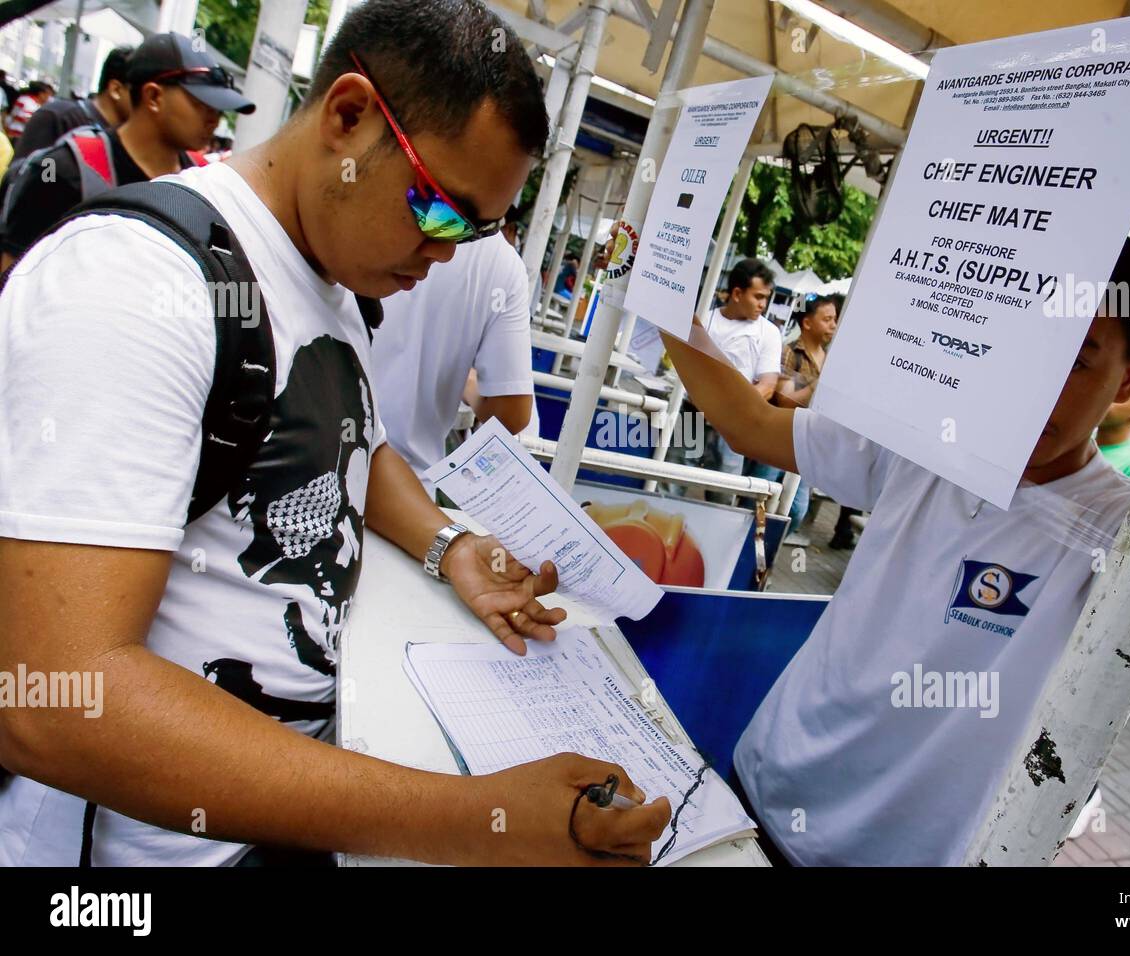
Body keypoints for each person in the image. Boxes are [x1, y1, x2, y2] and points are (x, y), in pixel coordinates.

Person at [0, 0, 668, 866]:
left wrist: (450, 544)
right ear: (349, 117)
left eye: (478, 231)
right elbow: (59, 701)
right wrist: (476, 821)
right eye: (438, 210)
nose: (446, 254)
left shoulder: (323, 269)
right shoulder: (133, 284)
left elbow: (359, 444)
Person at [661, 233, 1130, 865]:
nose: (1037, 389)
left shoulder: (1118, 530)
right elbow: (749, 421)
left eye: (1076, 360)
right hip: (759, 786)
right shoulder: (923, 445)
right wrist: (663, 293)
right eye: (1022, 351)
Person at [0, 33, 255, 268]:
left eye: (219, 109)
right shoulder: (66, 171)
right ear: (153, 97)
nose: (215, 120)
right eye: (203, 104)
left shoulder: (203, 183)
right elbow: (12, 277)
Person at [371, 229, 535, 496]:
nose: (441, 254)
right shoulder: (501, 263)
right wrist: (470, 386)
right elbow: (512, 414)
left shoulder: (371, 210)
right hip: (409, 489)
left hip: (323, 464)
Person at [671, 258, 779, 504]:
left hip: (734, 425)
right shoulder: (705, 322)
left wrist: (728, 409)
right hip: (692, 415)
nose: (763, 304)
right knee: (670, 482)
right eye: (758, 296)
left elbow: (768, 385)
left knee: (723, 496)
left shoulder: (768, 332)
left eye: (766, 297)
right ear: (737, 293)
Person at [750, 293, 840, 546]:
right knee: (757, 502)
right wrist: (819, 384)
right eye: (827, 319)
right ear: (807, 322)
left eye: (835, 319)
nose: (833, 325)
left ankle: (765, 551)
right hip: (780, 441)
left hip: (812, 446)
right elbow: (787, 400)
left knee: (796, 511)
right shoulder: (789, 352)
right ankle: (747, 551)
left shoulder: (834, 359)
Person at [12, 46, 134, 160]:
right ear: (116, 89)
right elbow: (24, 174)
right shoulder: (57, 117)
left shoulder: (126, 140)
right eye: (141, 91)